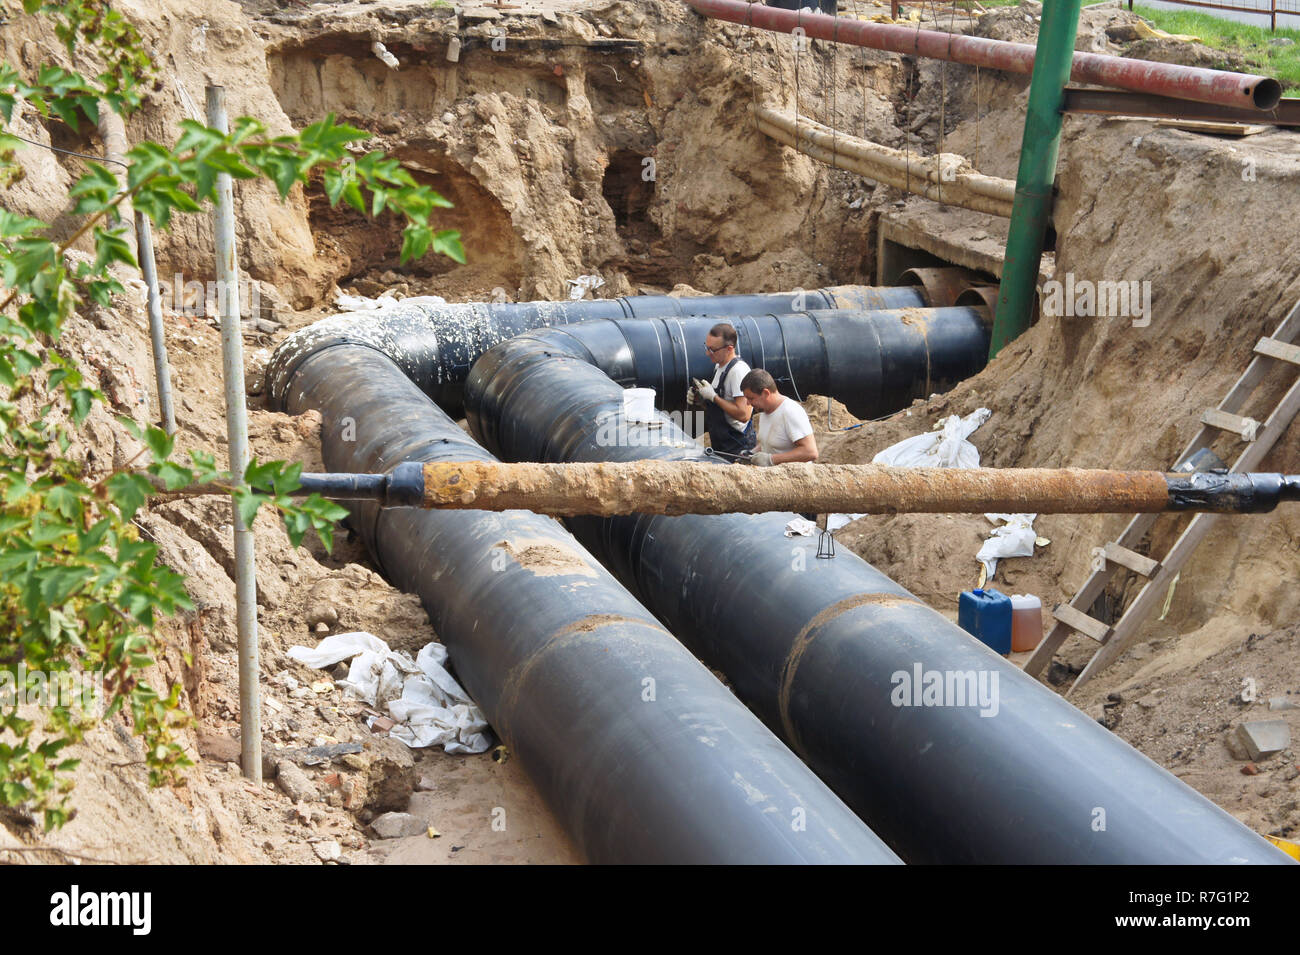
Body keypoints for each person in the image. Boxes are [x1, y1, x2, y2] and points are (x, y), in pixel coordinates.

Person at [689, 322, 755, 458]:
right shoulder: (719, 367)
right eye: (706, 347)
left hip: (737, 447)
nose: (708, 353)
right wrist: (700, 398)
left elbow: (744, 415)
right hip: (722, 444)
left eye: (713, 349)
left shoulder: (738, 371)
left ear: (729, 348)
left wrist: (714, 397)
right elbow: (720, 408)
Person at [739, 368, 818, 467]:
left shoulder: (790, 411)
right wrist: (752, 453)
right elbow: (772, 443)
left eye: (751, 398)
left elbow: (810, 452)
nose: (748, 403)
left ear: (766, 393)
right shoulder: (764, 411)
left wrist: (771, 459)